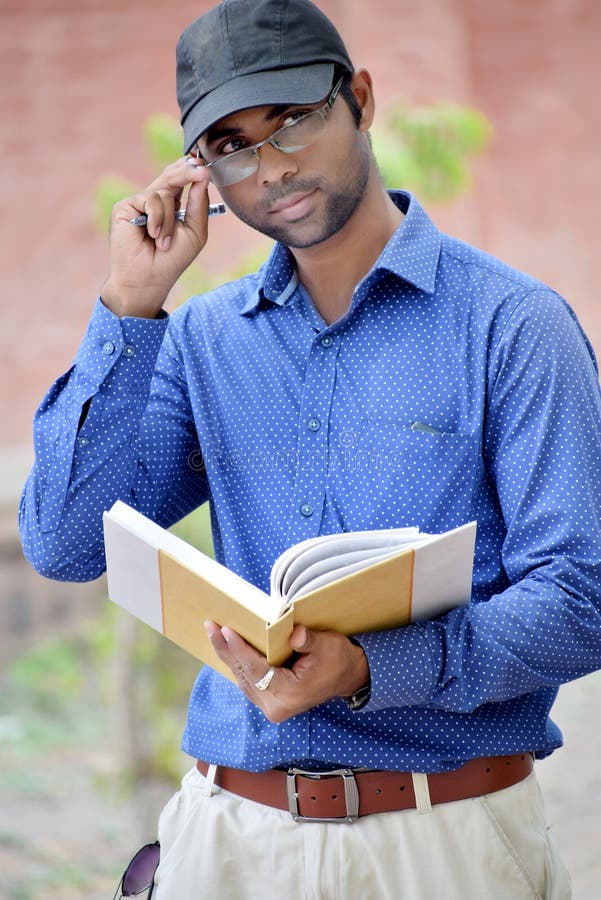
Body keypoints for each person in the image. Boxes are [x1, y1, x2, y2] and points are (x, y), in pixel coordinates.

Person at [19, 0, 600, 897]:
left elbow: (582, 596)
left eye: (292, 119)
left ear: (358, 99)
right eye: (232, 145)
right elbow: (63, 545)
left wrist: (372, 667)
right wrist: (128, 308)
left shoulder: (512, 326)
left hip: (442, 841)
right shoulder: (202, 340)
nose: (271, 166)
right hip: (230, 840)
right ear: (201, 171)